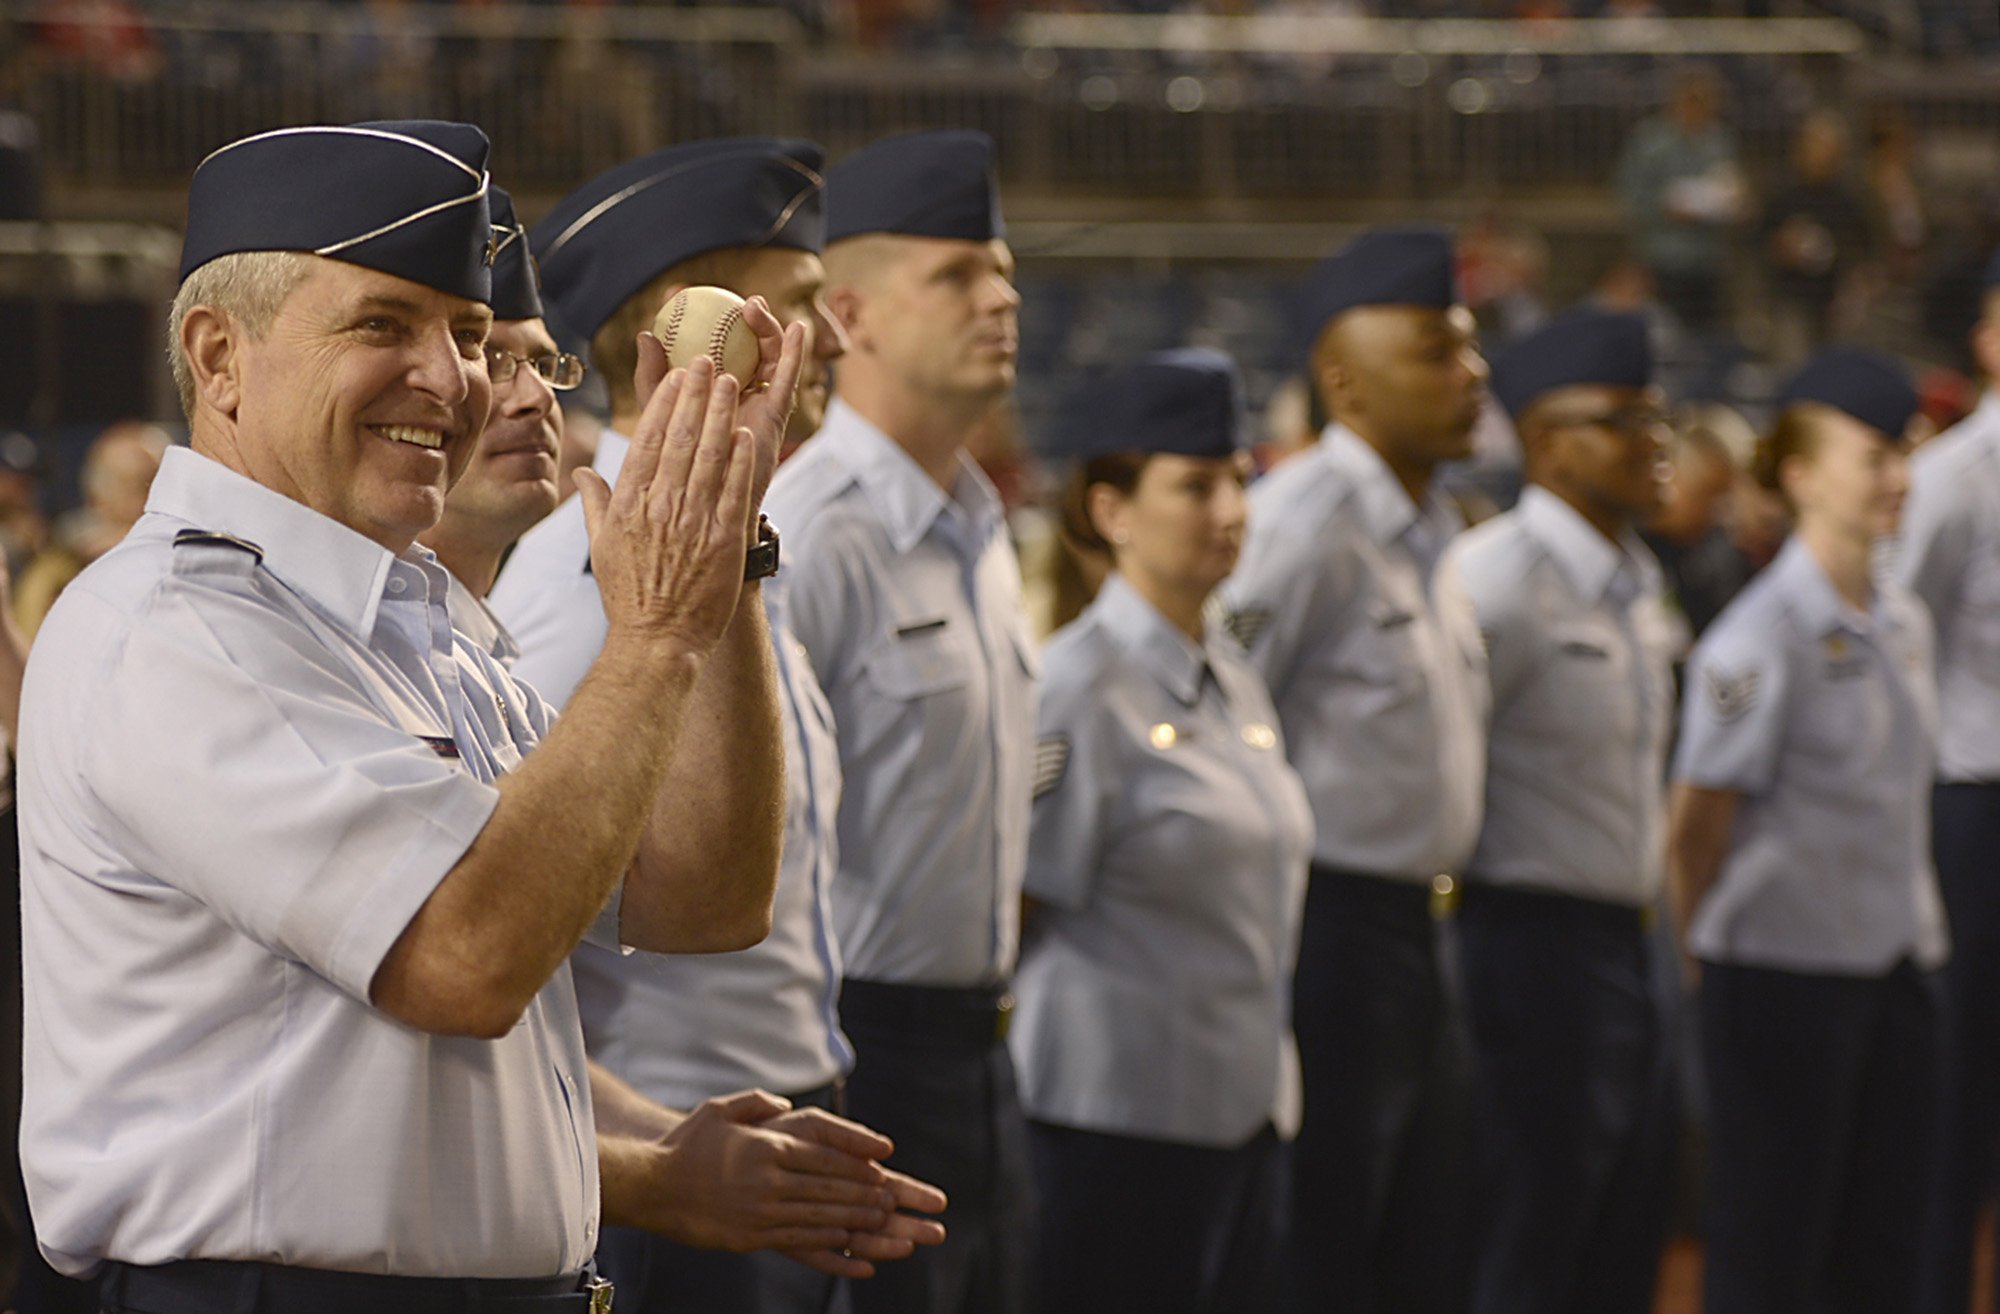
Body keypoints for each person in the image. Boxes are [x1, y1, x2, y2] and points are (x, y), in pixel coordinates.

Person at [16, 118, 806, 1312]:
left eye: (471, 334)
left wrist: (723, 553)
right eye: (383, 323)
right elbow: (461, 959)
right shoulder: (174, 626)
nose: (454, 379)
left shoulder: (420, 624)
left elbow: (701, 898)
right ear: (217, 357)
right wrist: (652, 638)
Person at [425, 187, 944, 1300]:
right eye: (482, 355)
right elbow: (479, 977)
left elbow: (711, 908)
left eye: (535, 362)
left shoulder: (524, 616)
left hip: (714, 1128)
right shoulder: (579, 595)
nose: (520, 396)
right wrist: (654, 1168)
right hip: (618, 1169)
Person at [762, 129, 1037, 1314]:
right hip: (855, 1049)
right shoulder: (812, 529)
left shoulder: (979, 526)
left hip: (985, 1048)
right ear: (853, 315)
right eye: (958, 274)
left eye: (1004, 269)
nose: (1001, 296)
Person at [1222, 226, 1489, 1313]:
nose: (1470, 373)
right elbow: (1228, 717)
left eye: (1468, 347)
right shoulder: (1301, 523)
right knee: (1326, 1240)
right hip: (1326, 932)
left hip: (1426, 934)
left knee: (1425, 1238)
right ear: (1342, 380)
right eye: (1433, 350)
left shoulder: (1431, 526)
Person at [1014, 349, 1310, 1314]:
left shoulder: (1233, 675)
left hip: (1244, 1118)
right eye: (1194, 485)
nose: (1229, 511)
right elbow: (1018, 909)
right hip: (1117, 1128)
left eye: (1237, 481)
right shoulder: (1075, 686)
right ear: (1111, 511)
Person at [1669, 348, 1946, 1314]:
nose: (1900, 477)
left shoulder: (1903, 620)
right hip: (1782, 980)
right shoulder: (1760, 637)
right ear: (1799, 475)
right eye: (1875, 456)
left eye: (1904, 453)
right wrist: (1702, 959)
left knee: (1885, 1247)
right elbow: (1695, 829)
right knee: (1771, 1253)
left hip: (1891, 972)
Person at [1440, 308, 1680, 1314]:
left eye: (1655, 416)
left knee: (1628, 1231)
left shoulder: (1636, 580)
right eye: (1621, 418)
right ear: (1544, 441)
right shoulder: (1491, 580)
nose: (1653, 440)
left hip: (1630, 944)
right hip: (1526, 947)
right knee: (1529, 1240)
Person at [1898, 247, 2000, 1314]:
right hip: (1971, 807)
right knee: (1953, 1104)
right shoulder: (1949, 477)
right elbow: (1898, 634)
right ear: (1985, 339)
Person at [1614, 64, 1747, 339]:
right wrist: (1665, 209)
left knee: (1707, 336)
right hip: (1663, 258)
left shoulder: (1720, 141)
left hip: (1709, 259)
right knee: (1665, 334)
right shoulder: (1650, 142)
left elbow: (1735, 191)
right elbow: (1630, 197)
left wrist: (1734, 202)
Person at [12, 420, 166, 641]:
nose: (156, 498)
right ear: (98, 498)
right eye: (142, 485)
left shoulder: (183, 550)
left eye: (163, 483)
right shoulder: (58, 575)